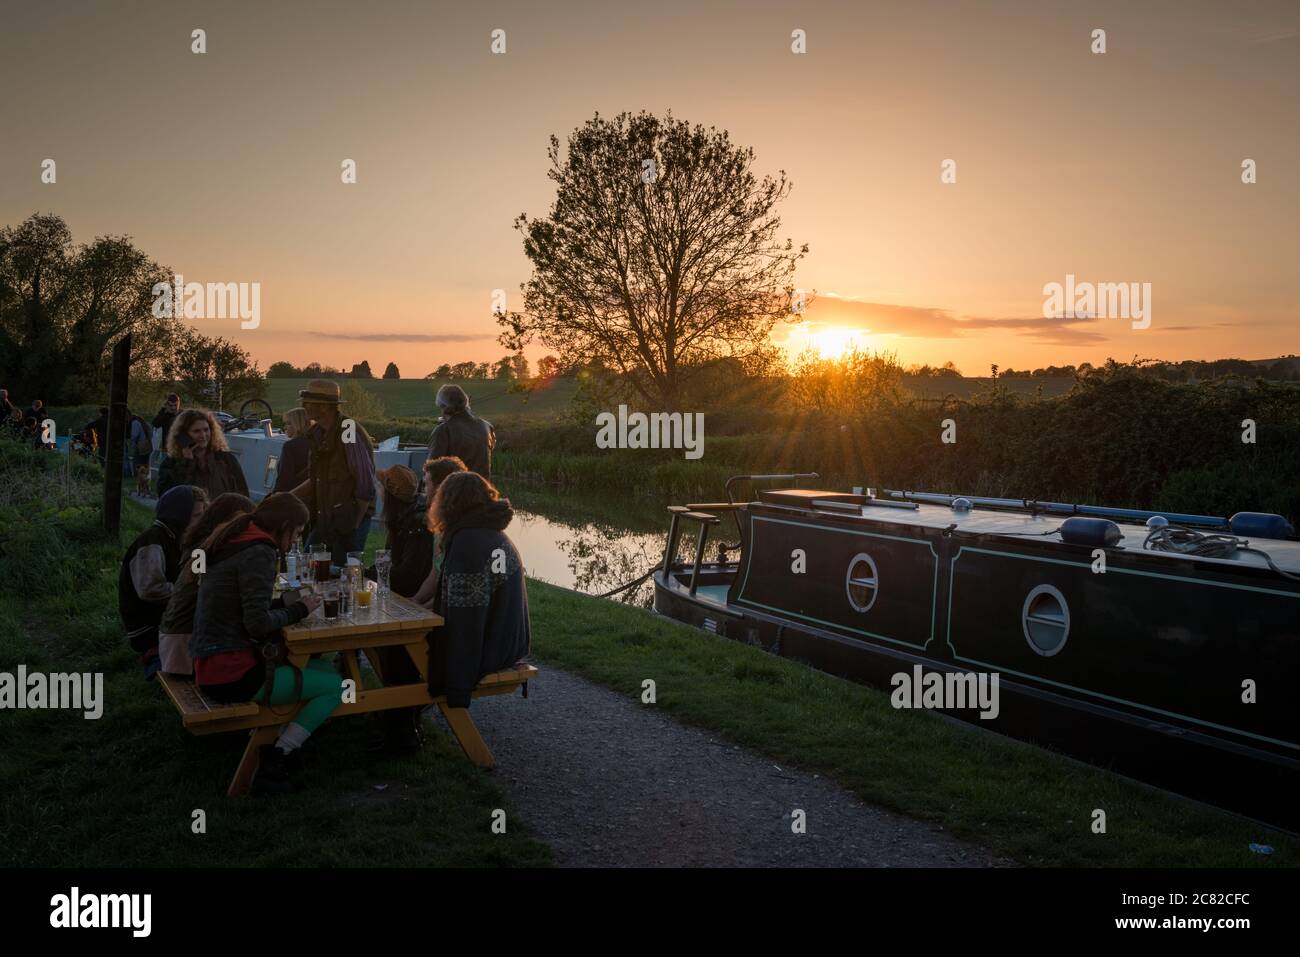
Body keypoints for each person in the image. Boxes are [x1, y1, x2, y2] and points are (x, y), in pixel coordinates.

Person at [191, 493, 335, 794]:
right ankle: (277, 757)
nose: (296, 540)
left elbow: (245, 604)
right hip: (232, 674)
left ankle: (285, 736)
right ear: (282, 526)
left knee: (327, 669)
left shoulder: (238, 538)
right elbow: (255, 624)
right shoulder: (260, 550)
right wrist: (299, 610)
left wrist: (285, 602)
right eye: (296, 532)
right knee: (339, 687)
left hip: (209, 663)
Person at [360, 459, 464, 755]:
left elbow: (409, 574)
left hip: (442, 619)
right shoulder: (410, 519)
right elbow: (432, 573)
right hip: (419, 602)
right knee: (388, 642)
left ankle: (402, 730)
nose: (425, 488)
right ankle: (396, 719)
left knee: (397, 647)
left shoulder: (419, 524)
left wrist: (416, 605)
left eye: (428, 482)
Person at [426, 471, 530, 709]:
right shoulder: (489, 532)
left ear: (449, 503)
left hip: (494, 648)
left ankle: (401, 729)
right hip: (508, 642)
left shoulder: (468, 544)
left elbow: (466, 623)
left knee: (401, 653)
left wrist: (457, 689)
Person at [158, 492, 255, 675]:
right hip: (182, 643)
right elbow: (199, 587)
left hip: (177, 634)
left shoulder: (201, 544)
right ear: (228, 521)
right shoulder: (202, 550)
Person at [119, 485, 209, 678]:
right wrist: (190, 591)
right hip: (149, 625)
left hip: (176, 614)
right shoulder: (152, 541)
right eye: (195, 516)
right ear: (178, 516)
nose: (200, 521)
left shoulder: (191, 541)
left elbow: (201, 577)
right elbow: (150, 590)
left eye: (202, 515)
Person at [290, 379, 376, 568]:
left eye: (308, 402)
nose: (304, 406)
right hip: (326, 519)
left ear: (323, 407)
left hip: (348, 521)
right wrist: (287, 497)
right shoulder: (317, 433)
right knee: (307, 568)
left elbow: (365, 482)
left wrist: (355, 522)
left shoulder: (348, 430)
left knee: (342, 576)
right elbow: (316, 479)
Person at [158, 408, 250, 499]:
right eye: (196, 431)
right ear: (183, 435)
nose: (203, 435)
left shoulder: (226, 460)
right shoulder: (171, 464)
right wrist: (186, 463)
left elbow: (243, 495)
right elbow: (166, 498)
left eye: (206, 430)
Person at [427, 384, 495, 480]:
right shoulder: (487, 426)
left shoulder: (443, 430)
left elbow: (431, 471)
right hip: (483, 490)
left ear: (443, 407)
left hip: (454, 492)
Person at [272, 407, 312, 494]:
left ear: (298, 424)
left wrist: (274, 496)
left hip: (293, 496)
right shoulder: (317, 442)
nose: (285, 427)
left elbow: (284, 479)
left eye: (289, 423)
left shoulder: (290, 446)